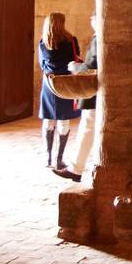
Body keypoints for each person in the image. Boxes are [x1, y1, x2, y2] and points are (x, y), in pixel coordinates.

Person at [38, 12, 80, 175]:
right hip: (65, 83)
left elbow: (42, 64)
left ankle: (48, 157)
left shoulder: (43, 42)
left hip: (49, 83)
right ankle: (59, 159)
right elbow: (75, 60)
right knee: (64, 120)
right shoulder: (71, 41)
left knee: (49, 119)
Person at [68, 14, 98, 179]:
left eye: (93, 18)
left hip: (94, 90)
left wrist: (77, 68)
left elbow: (93, 65)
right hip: (99, 90)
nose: (91, 21)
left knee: (88, 127)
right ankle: (76, 168)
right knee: (89, 128)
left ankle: (76, 169)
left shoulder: (99, 38)